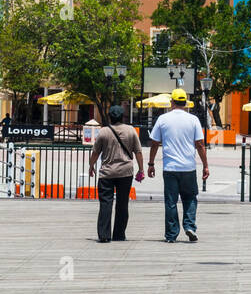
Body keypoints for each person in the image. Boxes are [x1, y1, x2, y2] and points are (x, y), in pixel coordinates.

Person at [147, 89, 209, 242]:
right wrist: (205, 166)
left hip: (170, 168)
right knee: (190, 198)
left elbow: (154, 143)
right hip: (189, 167)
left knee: (171, 201)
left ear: (172, 102)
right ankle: (189, 226)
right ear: (185, 103)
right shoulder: (193, 119)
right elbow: (200, 145)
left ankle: (171, 235)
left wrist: (151, 163)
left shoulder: (162, 119)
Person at [88, 105, 144, 242]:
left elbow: (95, 152)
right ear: (122, 116)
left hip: (107, 173)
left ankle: (104, 235)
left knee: (106, 203)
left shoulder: (103, 132)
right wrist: (141, 169)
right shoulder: (131, 130)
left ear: (110, 117)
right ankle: (119, 234)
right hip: (125, 172)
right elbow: (138, 152)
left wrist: (91, 166)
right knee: (122, 203)